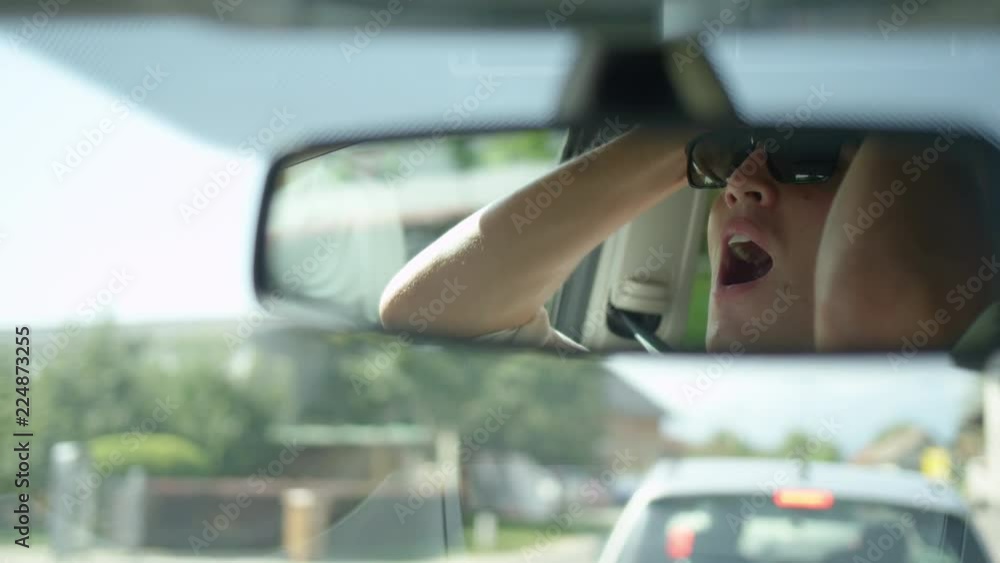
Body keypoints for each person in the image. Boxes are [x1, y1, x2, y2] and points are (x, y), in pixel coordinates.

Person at [378, 126, 994, 353]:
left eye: (809, 161)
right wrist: (690, 136)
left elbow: (879, 301)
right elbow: (430, 310)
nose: (740, 184)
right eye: (726, 164)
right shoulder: (688, 420)